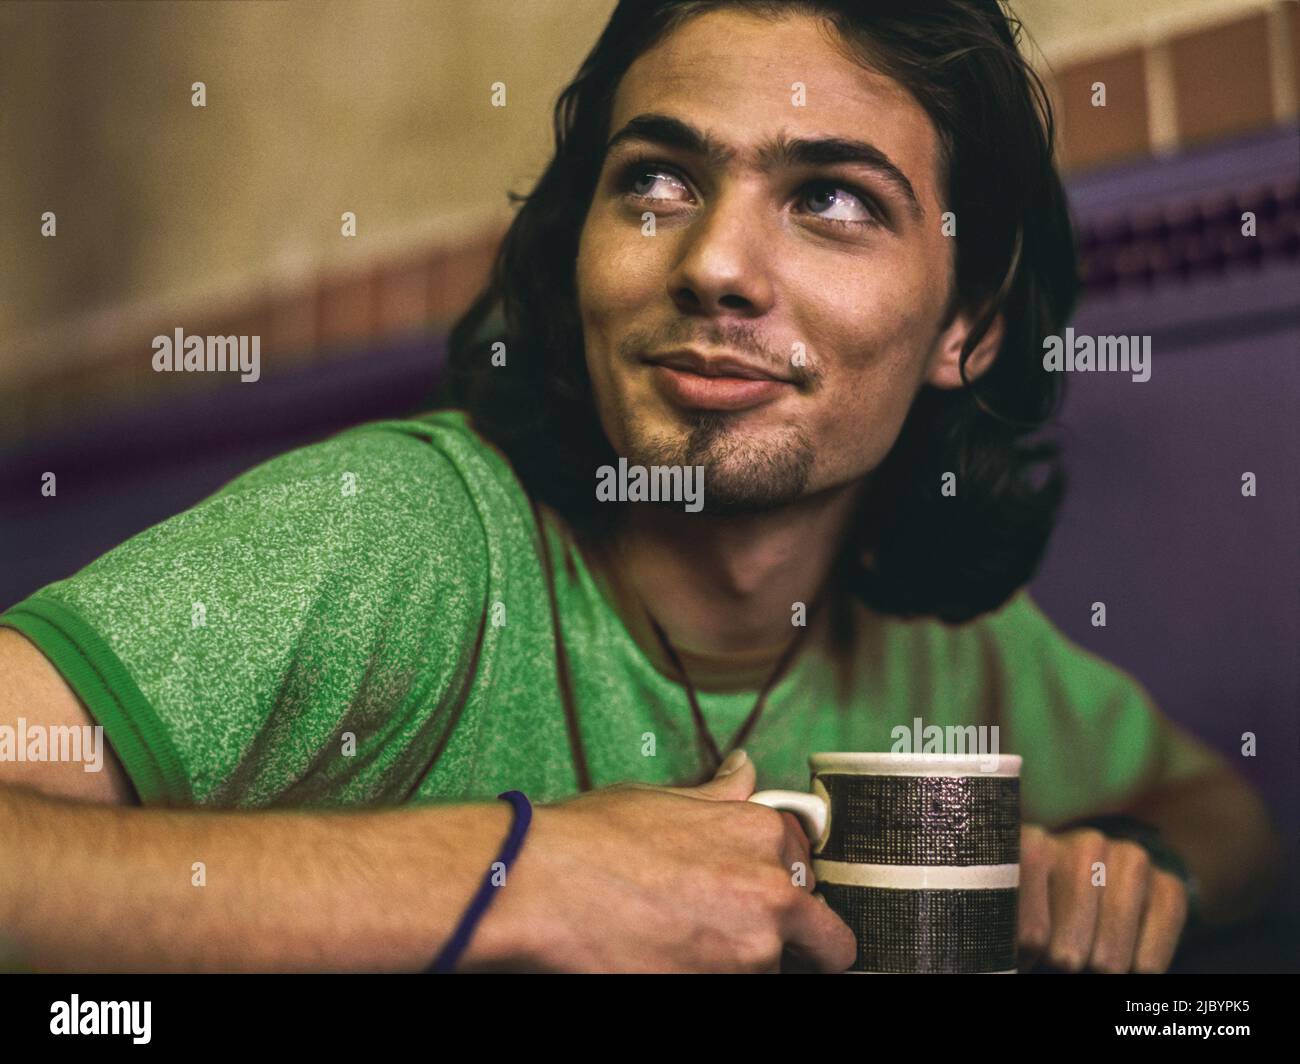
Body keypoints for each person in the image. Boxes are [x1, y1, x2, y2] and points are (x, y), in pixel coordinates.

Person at [0, 0, 1281, 974]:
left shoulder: (949, 642)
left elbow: (1221, 811)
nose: (714, 263)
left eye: (830, 197)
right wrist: (516, 874)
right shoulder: (399, 540)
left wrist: (1125, 866)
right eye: (656, 181)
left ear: (970, 327)